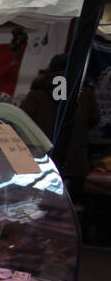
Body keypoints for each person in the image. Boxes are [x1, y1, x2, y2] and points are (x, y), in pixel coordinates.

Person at [21, 53, 100, 186]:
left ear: (50, 68)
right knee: (72, 203)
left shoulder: (37, 93)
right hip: (75, 162)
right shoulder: (86, 92)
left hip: (42, 159)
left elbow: (23, 123)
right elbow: (95, 119)